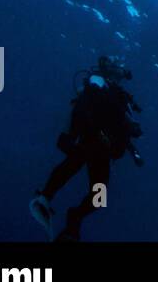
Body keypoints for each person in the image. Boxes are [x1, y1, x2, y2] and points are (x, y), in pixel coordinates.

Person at [29, 56, 143, 241]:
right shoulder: (98, 80)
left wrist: (130, 139)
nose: (122, 71)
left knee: (99, 198)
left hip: (105, 152)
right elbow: (88, 102)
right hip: (90, 138)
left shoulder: (121, 96)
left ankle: (74, 221)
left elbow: (122, 124)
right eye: (119, 67)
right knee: (72, 164)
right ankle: (45, 198)